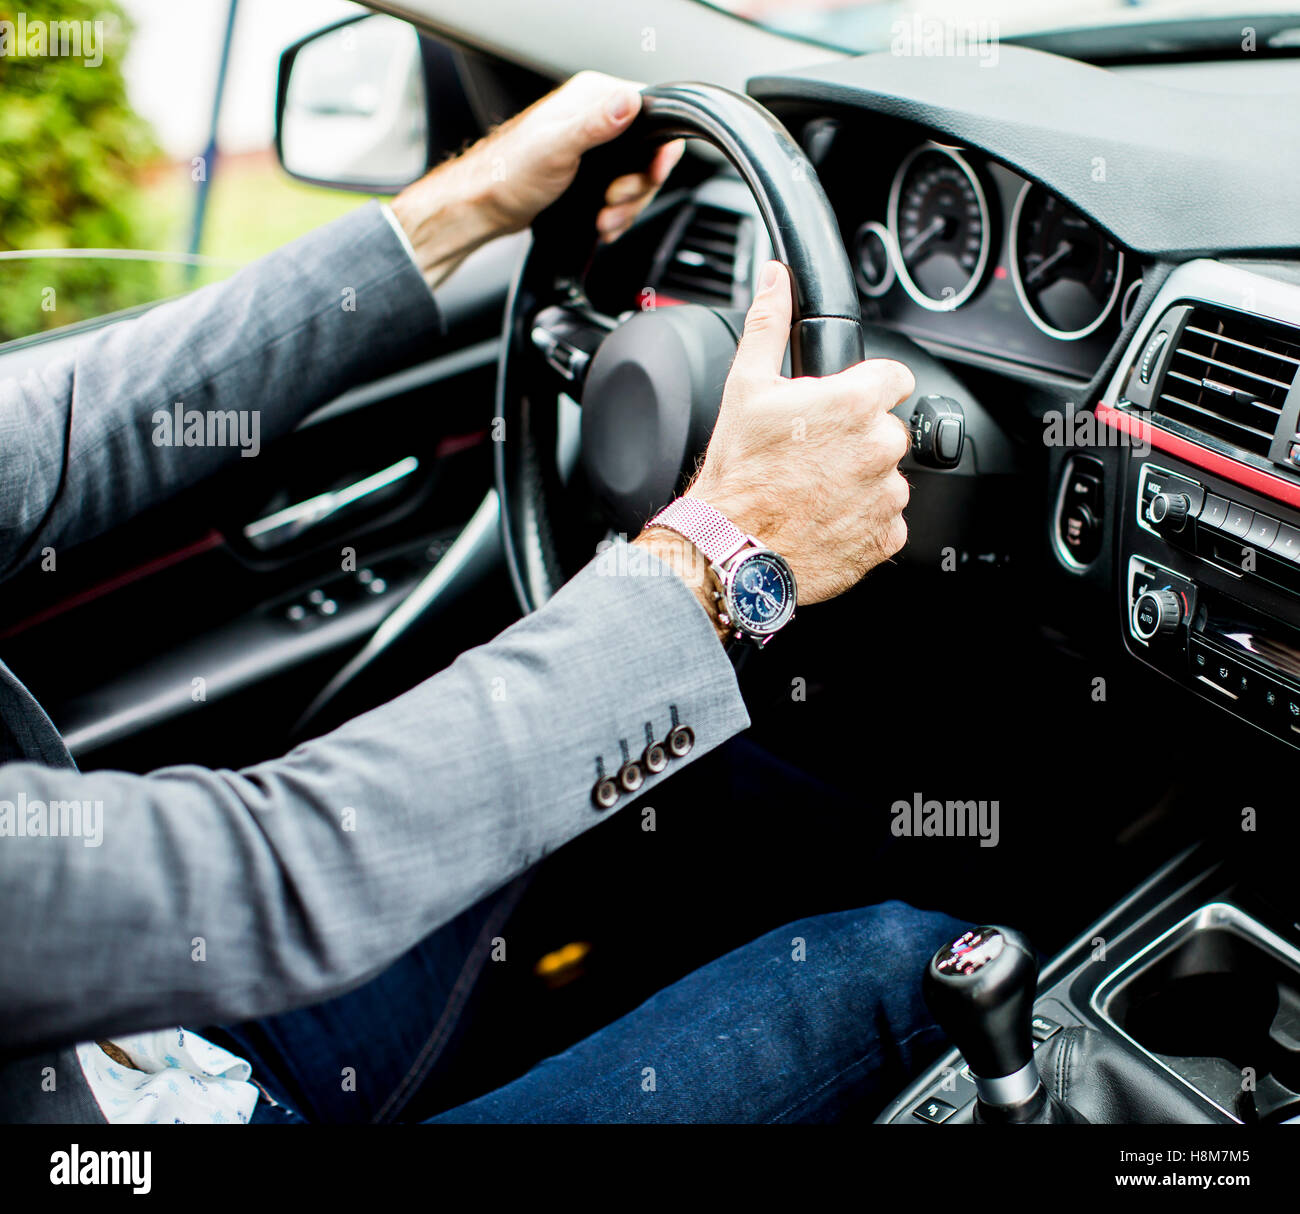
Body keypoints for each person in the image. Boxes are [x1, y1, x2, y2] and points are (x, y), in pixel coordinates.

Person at [0, 71, 961, 1124]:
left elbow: (63, 432)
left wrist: (463, 208)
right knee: (921, 973)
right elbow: (261, 876)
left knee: (690, 786)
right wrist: (724, 554)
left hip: (137, 1035)